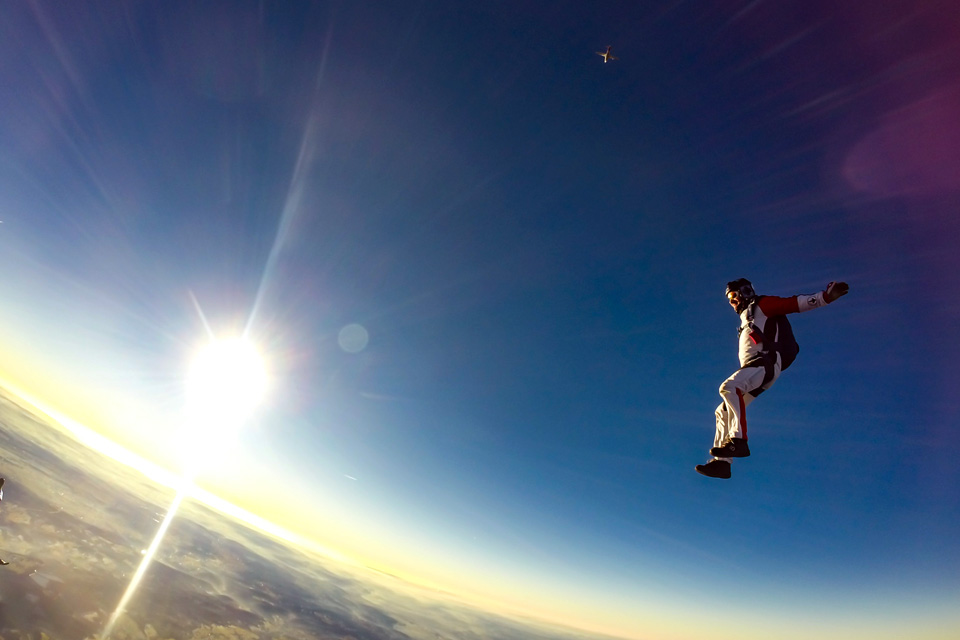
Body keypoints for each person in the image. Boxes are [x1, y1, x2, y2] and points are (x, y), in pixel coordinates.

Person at [696, 279, 849, 479]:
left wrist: (825, 297)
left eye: (734, 296)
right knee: (722, 411)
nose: (732, 302)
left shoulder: (760, 306)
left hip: (764, 363)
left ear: (746, 292)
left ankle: (738, 440)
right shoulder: (746, 318)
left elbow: (792, 304)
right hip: (758, 368)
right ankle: (722, 464)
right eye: (729, 299)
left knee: (728, 387)